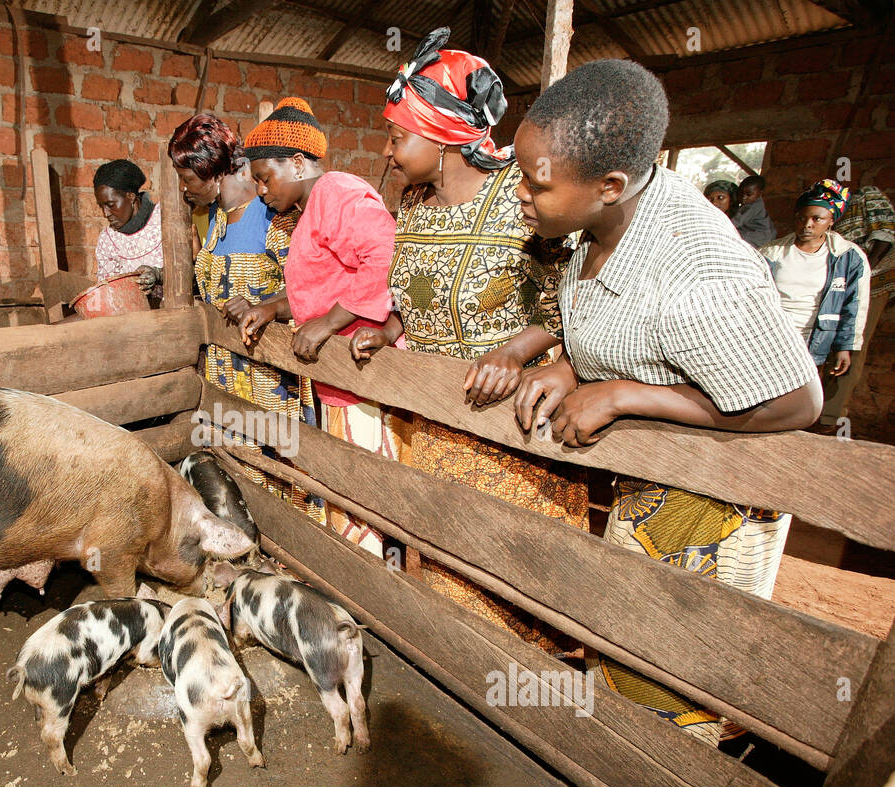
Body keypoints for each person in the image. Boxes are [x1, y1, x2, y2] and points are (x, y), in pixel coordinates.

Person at [509, 60, 822, 747]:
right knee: (626, 658)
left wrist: (621, 394)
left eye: (537, 182)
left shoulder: (697, 264)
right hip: (650, 490)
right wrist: (570, 367)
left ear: (609, 185)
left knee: (678, 687)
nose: (521, 196)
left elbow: (797, 399)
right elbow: (624, 335)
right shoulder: (600, 224)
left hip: (716, 506)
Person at [350, 27, 586, 654]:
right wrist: (387, 329)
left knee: (513, 581)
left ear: (442, 133)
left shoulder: (525, 199)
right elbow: (415, 301)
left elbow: (568, 307)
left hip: (513, 432)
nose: (390, 150)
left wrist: (512, 353)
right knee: (448, 570)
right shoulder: (416, 208)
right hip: (436, 421)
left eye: (399, 135)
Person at [236, 97, 409, 557]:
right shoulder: (310, 209)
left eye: (264, 178)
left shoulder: (336, 192)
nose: (261, 191)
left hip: (365, 373)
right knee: (348, 481)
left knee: (368, 486)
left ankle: (373, 580)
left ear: (296, 163)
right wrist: (274, 308)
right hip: (341, 377)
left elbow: (384, 257)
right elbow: (323, 286)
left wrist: (328, 323)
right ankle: (359, 572)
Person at [167, 112, 323, 523]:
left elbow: (309, 289)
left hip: (270, 380)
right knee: (236, 472)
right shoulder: (217, 222)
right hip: (225, 376)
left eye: (188, 179)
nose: (184, 189)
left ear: (213, 173)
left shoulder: (274, 215)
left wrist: (263, 302)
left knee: (277, 476)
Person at [760, 180, 870, 427]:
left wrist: (845, 347)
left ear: (832, 220)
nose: (807, 225)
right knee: (766, 395)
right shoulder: (772, 252)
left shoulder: (847, 257)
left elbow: (854, 305)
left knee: (802, 398)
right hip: (774, 335)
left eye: (817, 219)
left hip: (814, 339)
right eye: (801, 218)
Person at [825, 184, 894, 427]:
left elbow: (885, 237)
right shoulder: (833, 212)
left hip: (871, 285)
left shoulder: (868, 195)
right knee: (830, 344)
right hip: (841, 286)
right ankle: (817, 409)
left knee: (851, 345)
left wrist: (862, 277)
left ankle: (831, 416)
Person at [92, 159, 163, 301]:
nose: (105, 213)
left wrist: (158, 274)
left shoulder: (165, 219)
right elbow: (108, 294)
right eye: (101, 206)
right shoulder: (108, 240)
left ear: (130, 196)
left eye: (111, 204)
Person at [730, 174, 776, 246]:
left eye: (749, 194)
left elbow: (735, 223)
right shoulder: (752, 202)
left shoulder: (753, 206)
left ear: (760, 193)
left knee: (732, 238)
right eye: (741, 193)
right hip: (755, 232)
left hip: (758, 236)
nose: (743, 197)